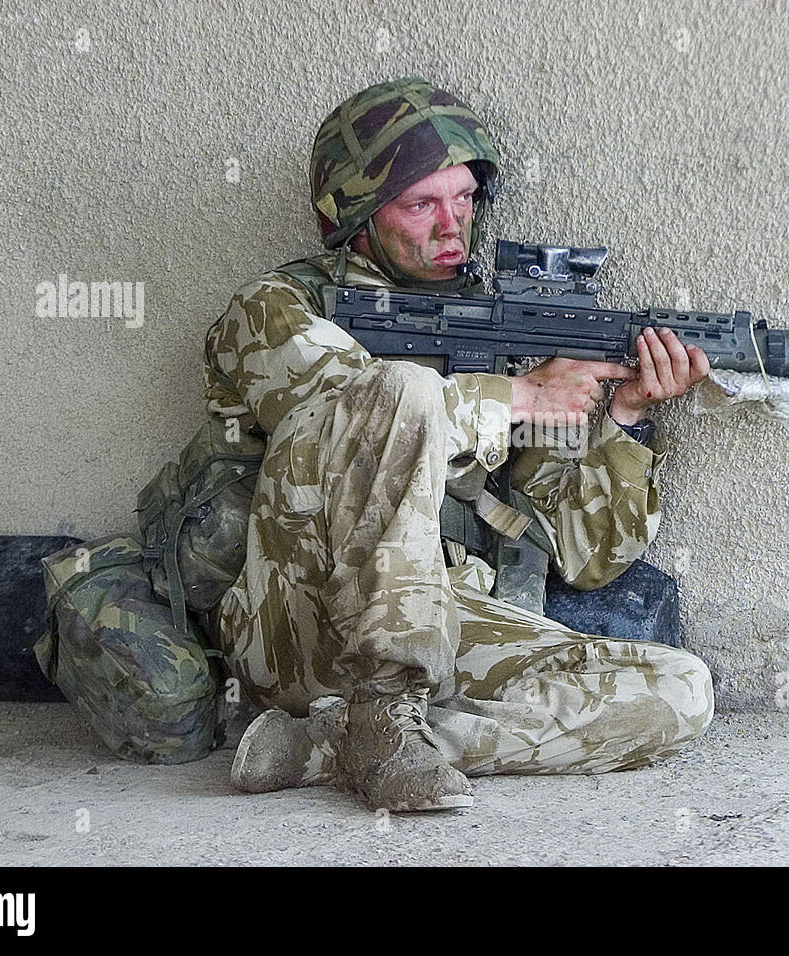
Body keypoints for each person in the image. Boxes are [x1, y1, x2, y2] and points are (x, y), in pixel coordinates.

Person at [204, 76, 714, 812]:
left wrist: (624, 417)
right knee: (401, 389)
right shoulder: (275, 310)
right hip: (298, 628)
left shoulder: (495, 330)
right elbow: (363, 406)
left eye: (465, 198)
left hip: (435, 622)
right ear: (355, 216)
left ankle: (334, 747)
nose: (454, 227)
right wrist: (525, 395)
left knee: (680, 690)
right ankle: (375, 715)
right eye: (421, 204)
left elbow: (584, 556)